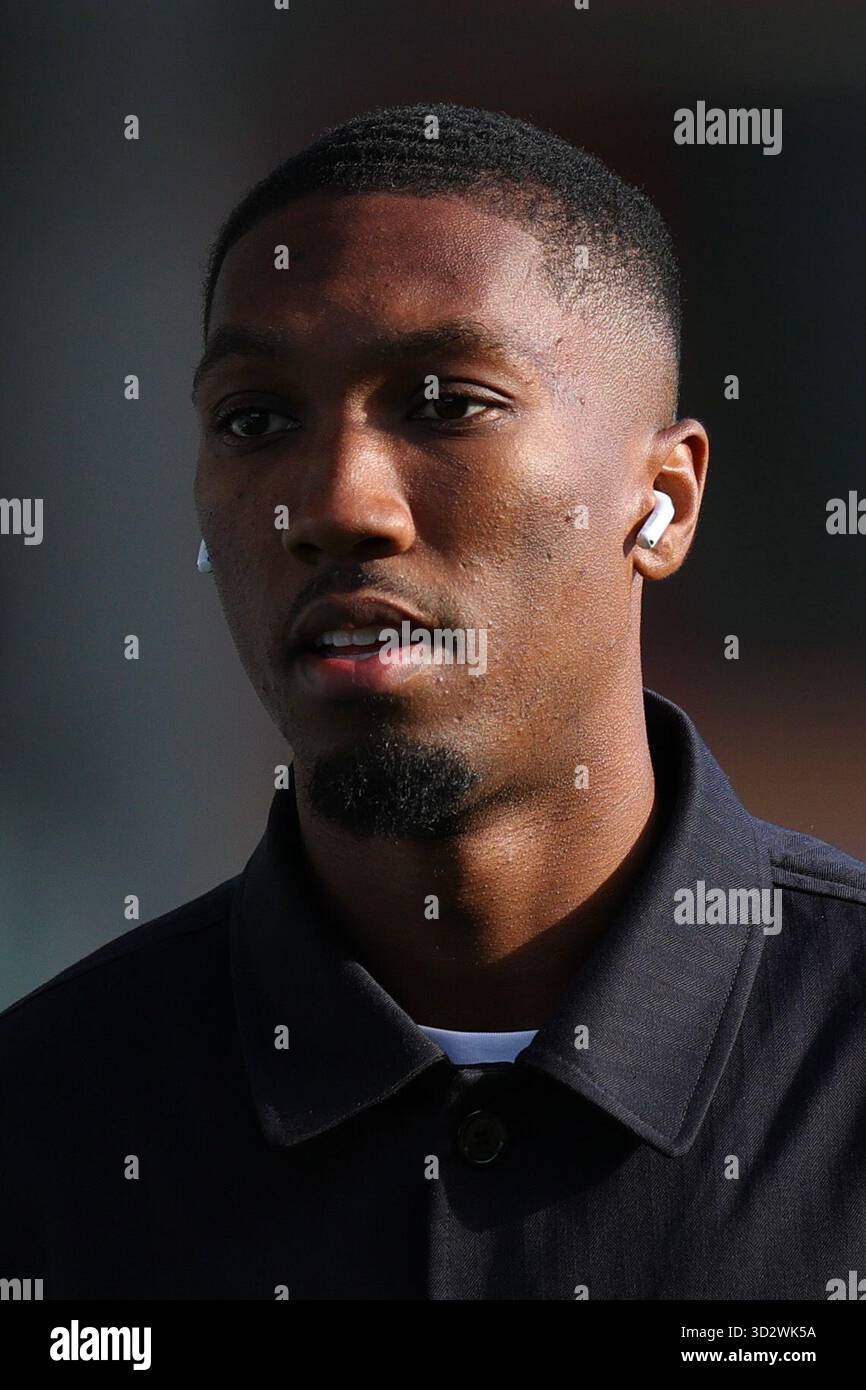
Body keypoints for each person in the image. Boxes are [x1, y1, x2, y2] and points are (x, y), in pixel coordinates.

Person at [1, 103, 864, 1301]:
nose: (336, 504)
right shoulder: (49, 1122)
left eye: (445, 403)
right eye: (255, 420)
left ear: (660, 500)